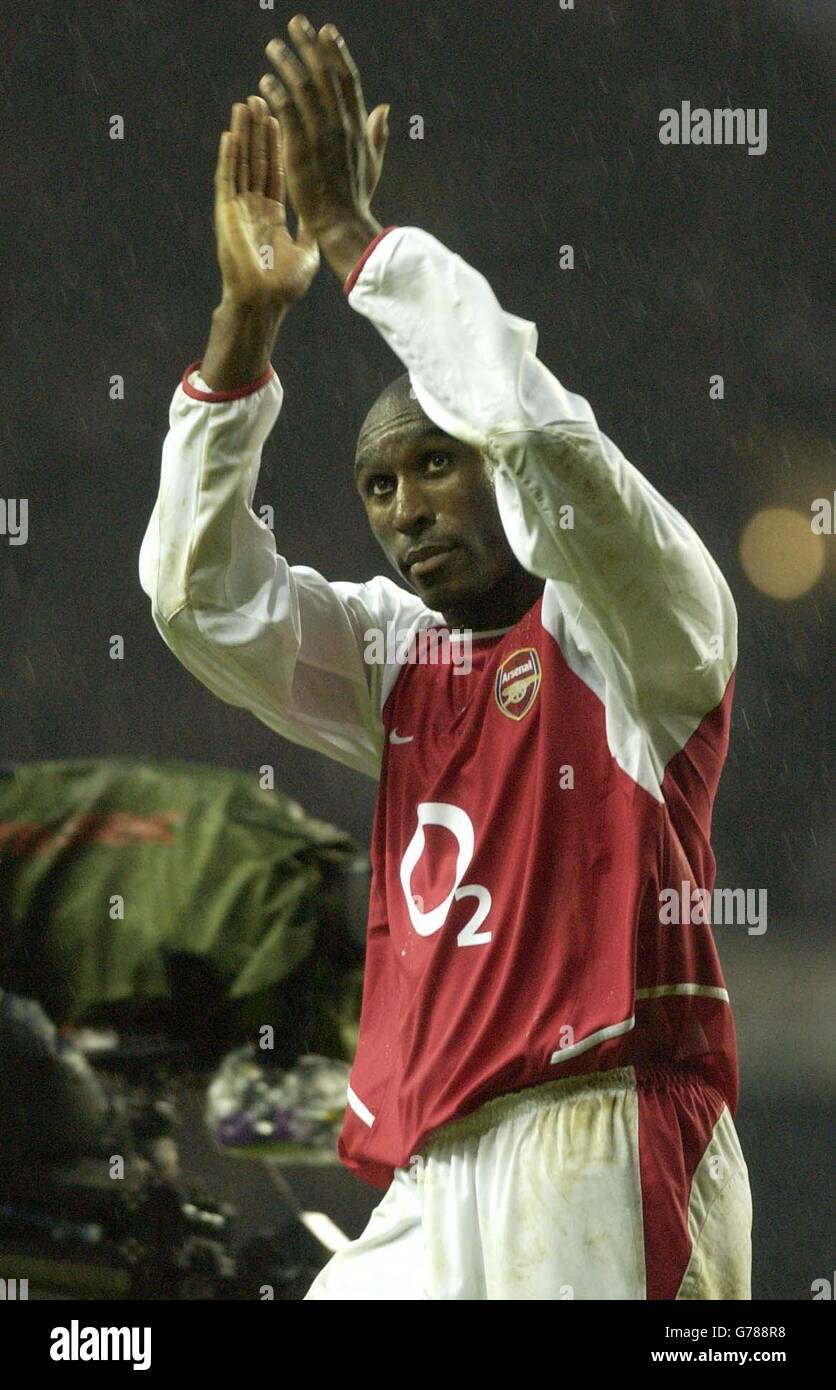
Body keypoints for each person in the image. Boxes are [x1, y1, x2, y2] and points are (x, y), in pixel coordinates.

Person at [139, 16, 752, 1299]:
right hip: (428, 1174)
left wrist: (363, 247)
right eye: (376, 484)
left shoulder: (640, 634)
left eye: (433, 462)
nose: (407, 505)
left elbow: (543, 441)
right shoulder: (400, 662)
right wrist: (244, 332)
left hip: (600, 1138)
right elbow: (200, 601)